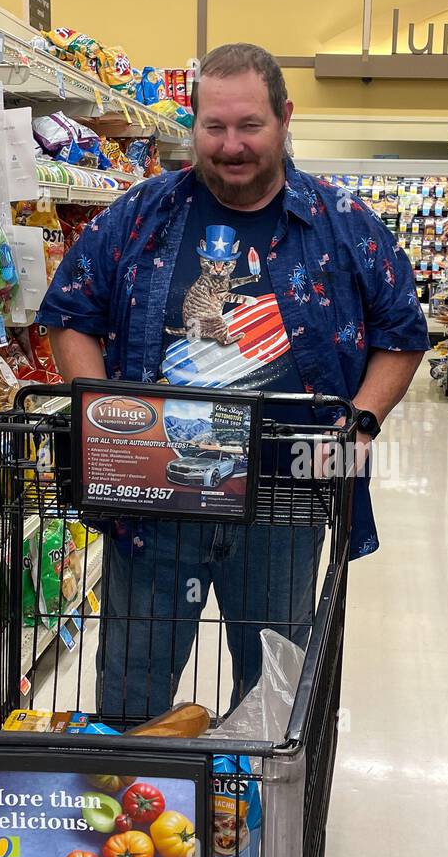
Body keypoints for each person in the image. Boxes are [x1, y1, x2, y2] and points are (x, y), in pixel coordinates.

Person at [37, 43, 427, 721]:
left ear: (285, 118)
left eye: (250, 125)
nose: (232, 145)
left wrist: (360, 422)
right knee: (133, 688)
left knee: (274, 689)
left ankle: (260, 820)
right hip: (153, 499)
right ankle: (135, 812)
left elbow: (402, 330)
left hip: (285, 500)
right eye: (214, 127)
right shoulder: (141, 213)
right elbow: (69, 311)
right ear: (193, 127)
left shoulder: (341, 221)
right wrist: (100, 412)